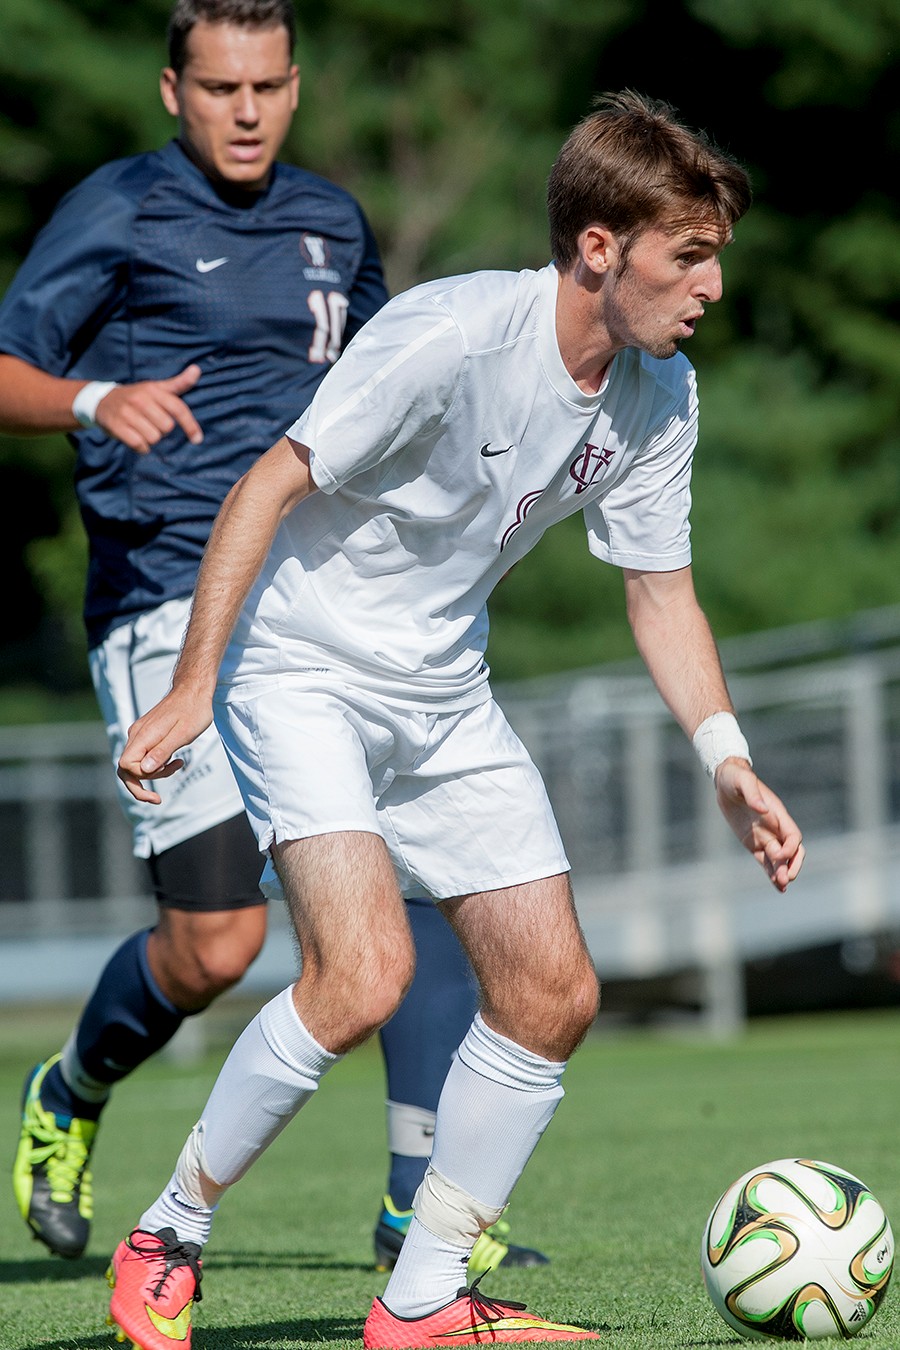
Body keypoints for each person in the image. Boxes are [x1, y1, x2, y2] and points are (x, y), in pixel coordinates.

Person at [108, 88, 805, 1350]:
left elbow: (662, 595)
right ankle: (169, 1230)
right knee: (363, 972)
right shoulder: (448, 335)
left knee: (552, 989)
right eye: (687, 255)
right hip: (302, 666)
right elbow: (268, 485)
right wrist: (198, 683)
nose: (708, 285)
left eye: (715, 257)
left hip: (445, 690)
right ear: (601, 246)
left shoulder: (664, 393)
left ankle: (423, 1295)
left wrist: (729, 759)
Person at [0, 0, 544, 1279]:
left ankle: (420, 1203)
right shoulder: (119, 210)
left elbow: (405, 372)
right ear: (170, 91)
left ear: (294, 86)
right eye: (218, 88)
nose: (244, 111)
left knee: (410, 885)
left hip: (318, 603)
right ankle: (71, 1094)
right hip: (167, 595)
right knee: (221, 944)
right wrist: (92, 396)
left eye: (267, 86)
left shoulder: (335, 223)